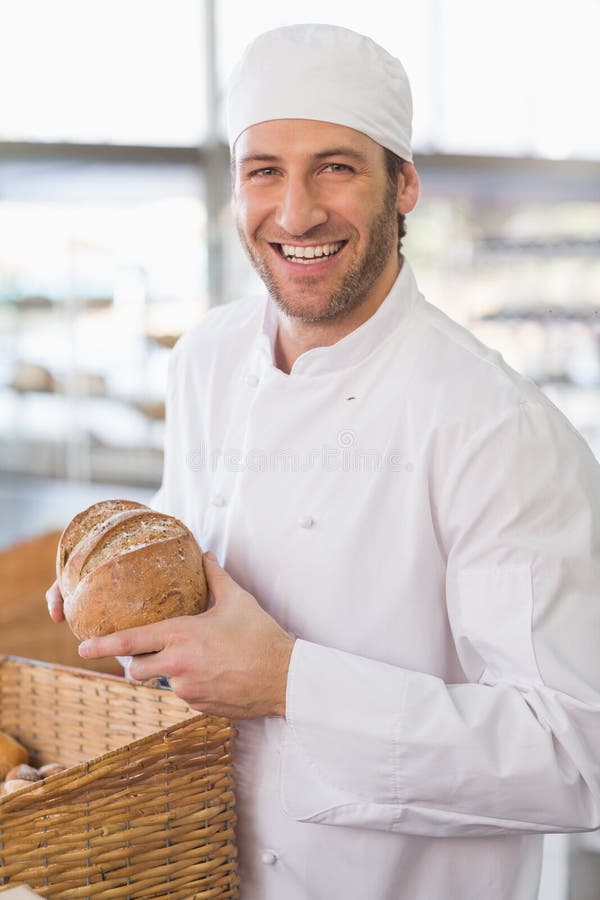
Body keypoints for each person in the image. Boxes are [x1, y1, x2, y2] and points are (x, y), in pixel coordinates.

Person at [46, 23, 600, 900]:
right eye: (264, 170)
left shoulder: (498, 431)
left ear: (404, 185)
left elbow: (575, 755)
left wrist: (286, 681)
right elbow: (195, 573)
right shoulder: (207, 359)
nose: (296, 212)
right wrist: (134, 618)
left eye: (336, 167)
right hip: (194, 871)